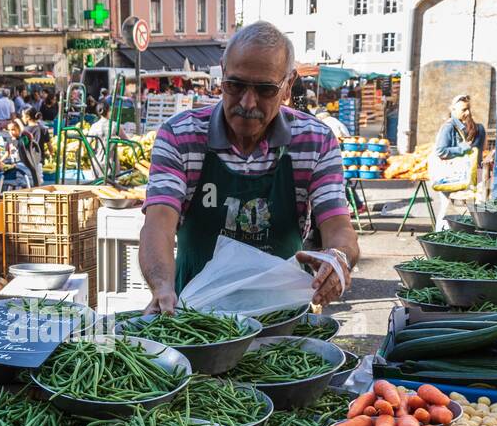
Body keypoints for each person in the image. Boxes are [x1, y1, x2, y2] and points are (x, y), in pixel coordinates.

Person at [138, 21, 359, 312]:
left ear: (287, 86)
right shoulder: (180, 136)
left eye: (265, 90)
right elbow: (158, 223)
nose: (247, 102)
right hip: (192, 312)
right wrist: (161, 286)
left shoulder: (315, 141)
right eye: (235, 85)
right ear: (223, 72)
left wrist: (338, 258)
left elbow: (338, 226)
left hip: (280, 316)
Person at [432, 94, 487, 228]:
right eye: (463, 110)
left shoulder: (467, 128)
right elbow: (440, 151)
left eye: (468, 109)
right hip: (450, 176)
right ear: (453, 110)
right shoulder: (449, 127)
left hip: (460, 176)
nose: (467, 113)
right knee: (447, 210)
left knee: (455, 210)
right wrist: (463, 149)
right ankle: (441, 238)